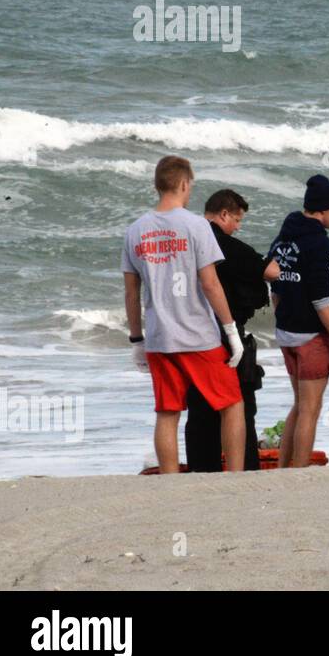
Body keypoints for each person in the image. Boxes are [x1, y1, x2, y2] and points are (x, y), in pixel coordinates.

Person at [122, 155, 246, 473]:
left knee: (167, 411)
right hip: (198, 336)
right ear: (183, 183)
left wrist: (137, 339)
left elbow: (132, 294)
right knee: (232, 404)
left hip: (160, 338)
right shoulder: (195, 226)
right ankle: (234, 476)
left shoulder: (135, 231)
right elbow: (210, 284)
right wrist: (231, 331)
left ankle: (170, 481)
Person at [185, 189, 279, 472]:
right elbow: (271, 271)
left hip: (188, 332)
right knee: (239, 405)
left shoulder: (188, 240)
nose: (238, 227)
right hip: (225, 334)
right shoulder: (222, 243)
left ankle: (202, 469)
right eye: (237, 220)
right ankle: (244, 468)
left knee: (200, 409)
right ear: (223, 214)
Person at [268, 174, 329, 468]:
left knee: (299, 405)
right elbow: (321, 299)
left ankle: (283, 467)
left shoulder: (284, 236)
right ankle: (299, 471)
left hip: (285, 331)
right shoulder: (320, 244)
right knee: (311, 409)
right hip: (310, 335)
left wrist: (282, 314)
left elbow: (273, 281)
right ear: (324, 209)